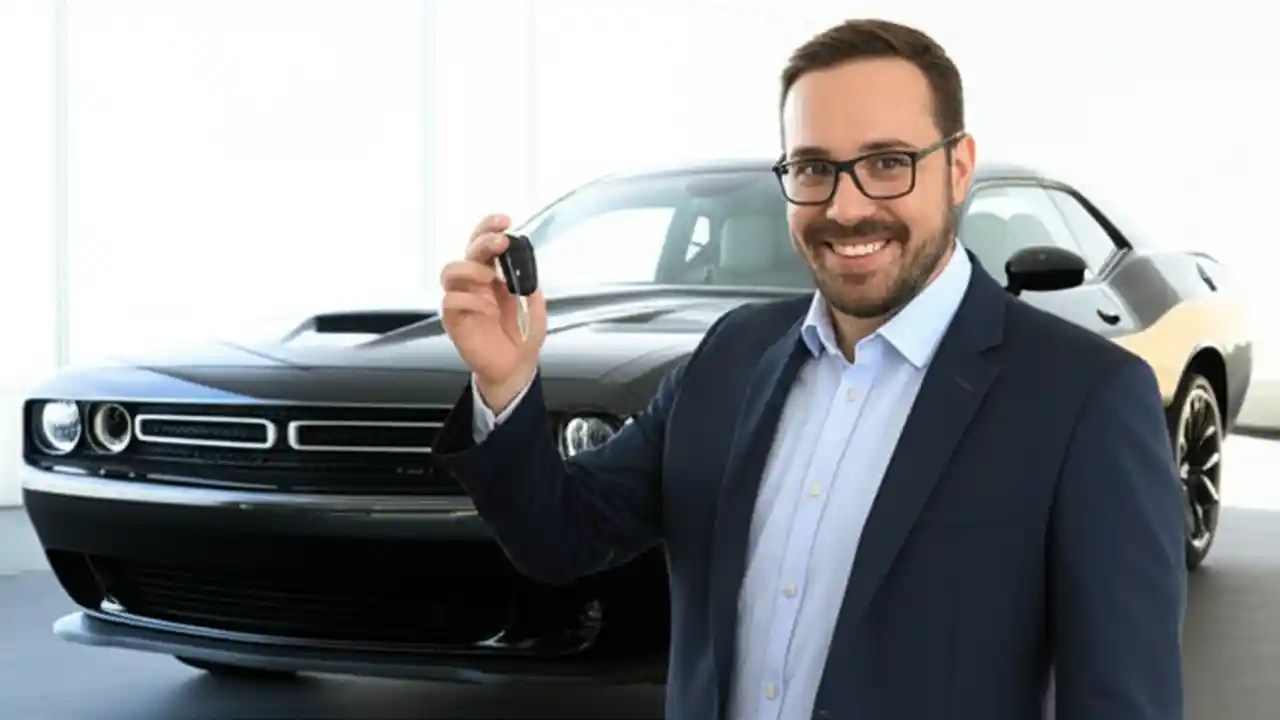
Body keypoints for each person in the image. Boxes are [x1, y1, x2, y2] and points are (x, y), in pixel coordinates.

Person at [433, 17, 1187, 720]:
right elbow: (561, 538)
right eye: (814, 167)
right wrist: (505, 386)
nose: (847, 206)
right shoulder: (730, 358)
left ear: (958, 168)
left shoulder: (1083, 401)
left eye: (888, 163)